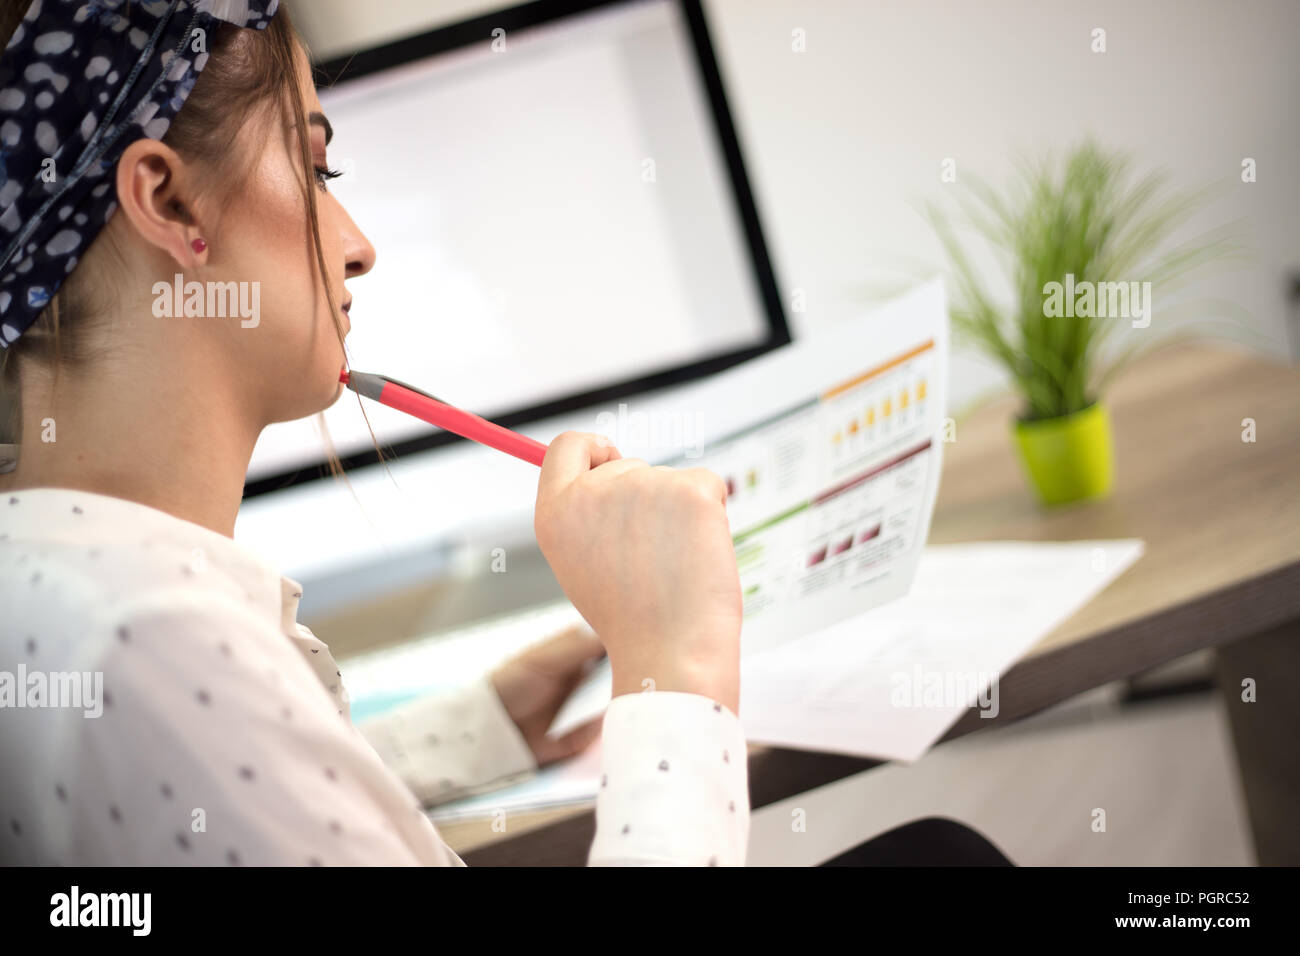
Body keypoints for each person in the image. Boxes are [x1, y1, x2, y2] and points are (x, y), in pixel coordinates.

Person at [0, 0, 746, 866]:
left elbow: (210, 803)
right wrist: (676, 674)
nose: (358, 249)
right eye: (319, 172)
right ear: (168, 200)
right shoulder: (152, 640)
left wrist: (480, 727)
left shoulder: (50, 582)